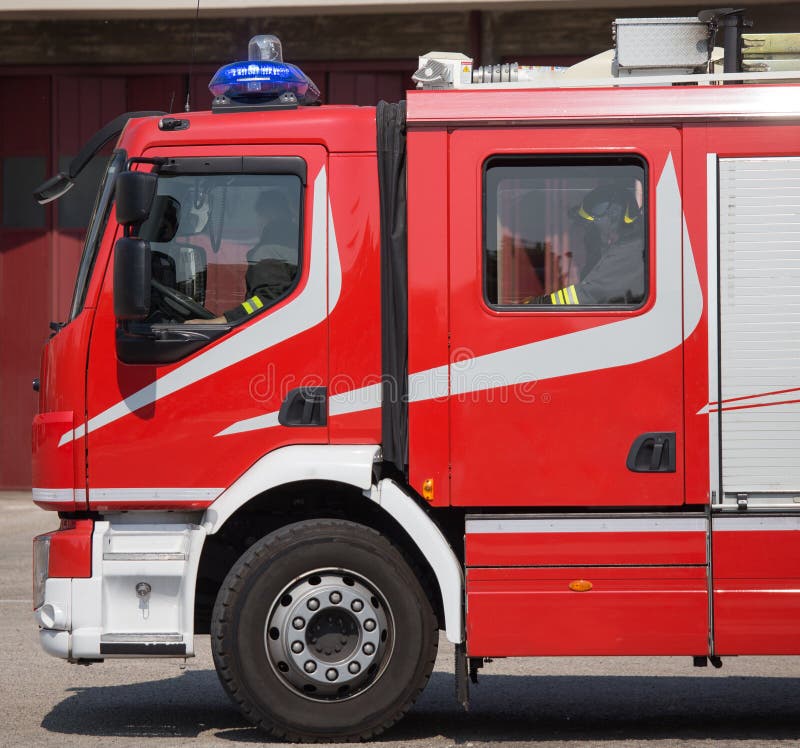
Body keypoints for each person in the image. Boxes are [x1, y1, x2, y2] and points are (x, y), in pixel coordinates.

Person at [186, 190, 299, 324]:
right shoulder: (293, 245)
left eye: (258, 215)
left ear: (265, 215)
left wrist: (224, 320)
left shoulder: (269, 251)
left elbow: (265, 300)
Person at [526, 184, 645, 306]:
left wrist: (540, 304)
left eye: (596, 221)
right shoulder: (627, 246)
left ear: (615, 214)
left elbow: (589, 293)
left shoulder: (629, 251)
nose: (595, 229)